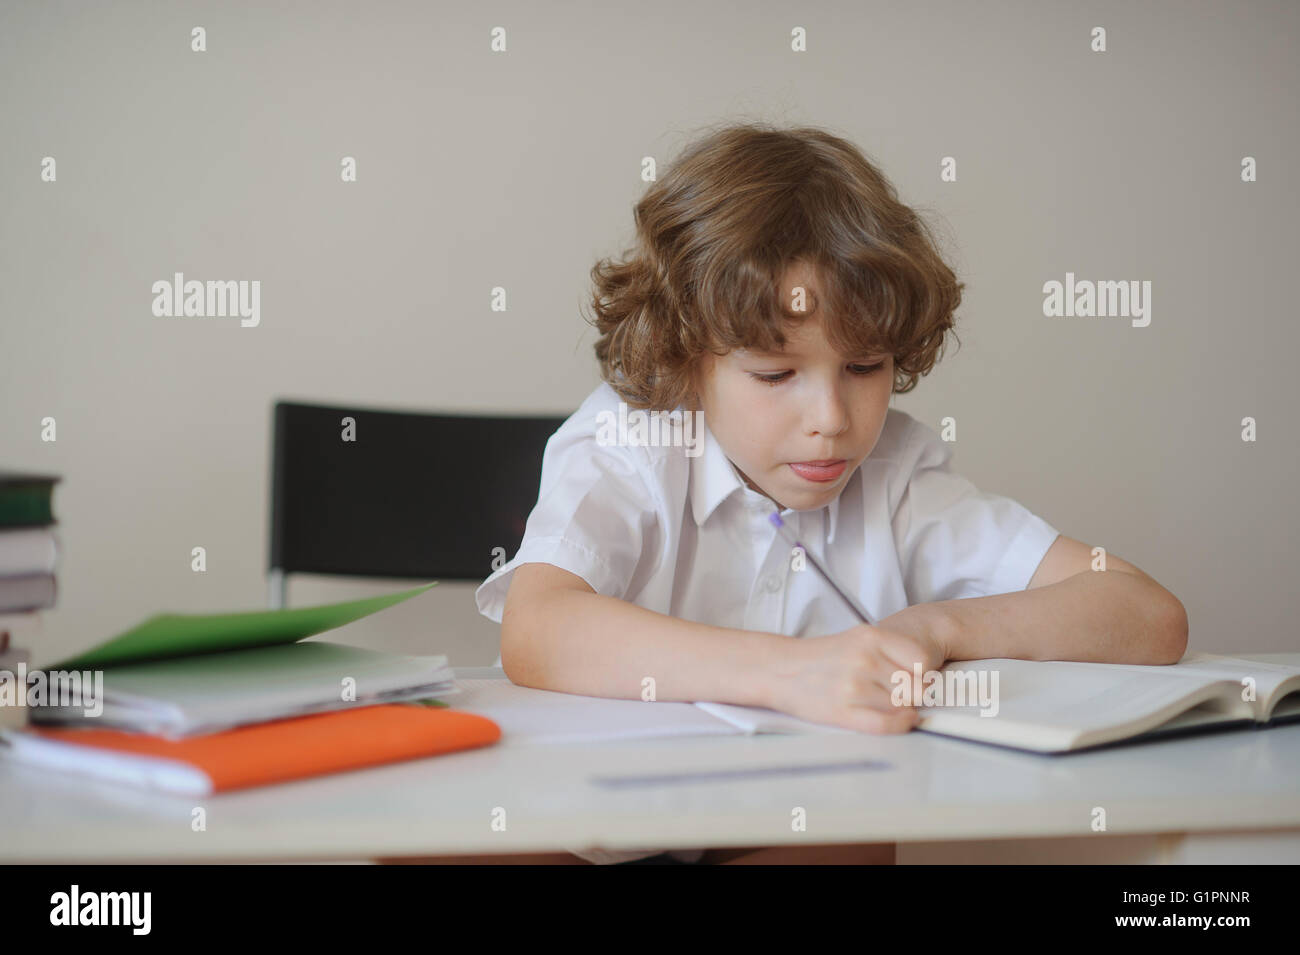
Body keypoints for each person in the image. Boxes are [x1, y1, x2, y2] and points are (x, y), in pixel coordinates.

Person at [451, 122, 1186, 866]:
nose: (832, 421)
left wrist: (935, 629)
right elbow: (536, 627)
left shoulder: (895, 474)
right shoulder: (631, 440)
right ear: (685, 357)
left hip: (779, 818)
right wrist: (794, 672)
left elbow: (1145, 613)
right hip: (585, 822)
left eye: (864, 367)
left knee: (855, 843)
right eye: (776, 375)